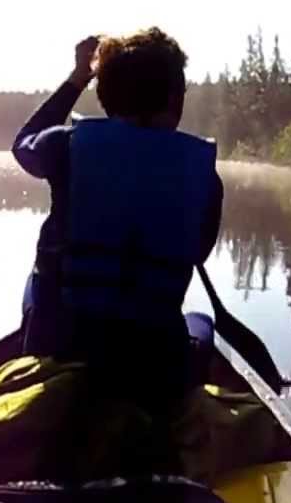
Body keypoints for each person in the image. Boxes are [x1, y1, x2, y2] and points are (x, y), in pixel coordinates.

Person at [11, 28, 223, 402]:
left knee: (36, 286)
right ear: (176, 99)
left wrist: (78, 77)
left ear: (106, 97)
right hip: (152, 360)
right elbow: (198, 253)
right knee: (201, 324)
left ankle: (34, 369)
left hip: (62, 345)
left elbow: (23, 143)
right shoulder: (205, 178)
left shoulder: (65, 146)